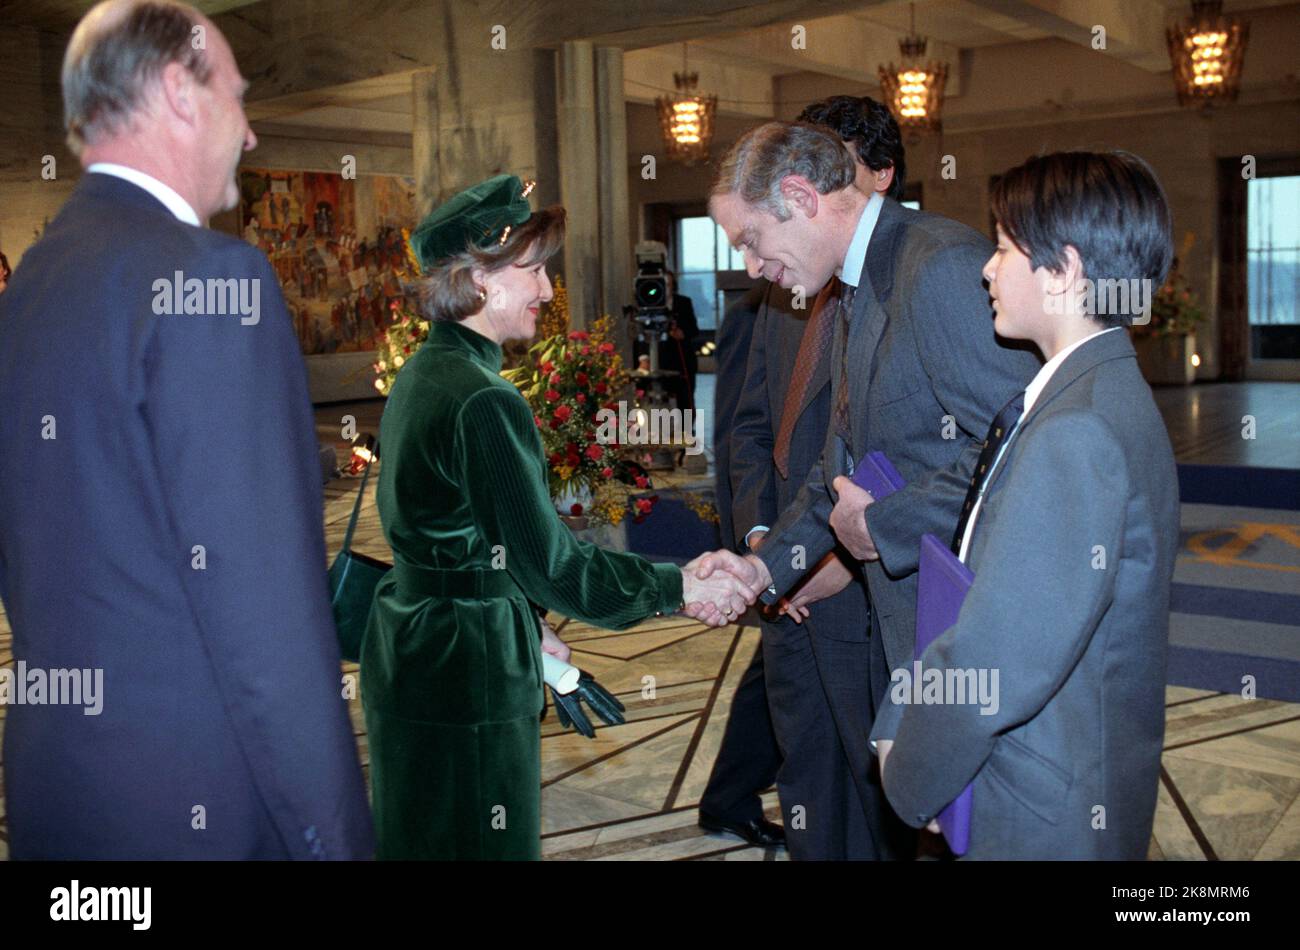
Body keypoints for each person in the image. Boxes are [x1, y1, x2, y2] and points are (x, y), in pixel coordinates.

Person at [0, 0, 372, 858]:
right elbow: (269, 627)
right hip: (200, 803)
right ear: (178, 90)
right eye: (237, 97)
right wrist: (337, 841)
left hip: (59, 788)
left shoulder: (29, 288)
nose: (248, 136)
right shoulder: (213, 280)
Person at [362, 173, 761, 861]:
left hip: (412, 648)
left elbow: (461, 541)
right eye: (536, 271)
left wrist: (528, 622)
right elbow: (551, 564)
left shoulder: (424, 374)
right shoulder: (484, 399)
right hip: (471, 666)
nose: (548, 291)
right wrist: (678, 587)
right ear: (479, 279)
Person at [873, 151, 1180, 860]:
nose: (987, 267)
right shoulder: (1096, 394)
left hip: (1042, 808)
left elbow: (999, 657)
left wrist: (910, 771)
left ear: (1065, 270)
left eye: (1006, 247)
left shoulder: (1078, 430)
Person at [705, 121, 1039, 716]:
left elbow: (1024, 449)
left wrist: (883, 523)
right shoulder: (854, 284)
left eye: (751, 239)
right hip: (917, 622)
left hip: (968, 628)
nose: (753, 267)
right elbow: (840, 465)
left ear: (802, 198)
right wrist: (761, 568)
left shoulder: (934, 267)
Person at [722, 97, 910, 860]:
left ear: (879, 178)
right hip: (785, 589)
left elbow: (925, 452)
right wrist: (764, 541)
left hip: (860, 590)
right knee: (807, 780)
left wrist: (829, 560)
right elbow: (748, 426)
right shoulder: (778, 286)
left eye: (837, 165)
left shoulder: (909, 287)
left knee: (878, 790)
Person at [697, 281, 783, 850]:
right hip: (776, 533)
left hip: (816, 526)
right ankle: (729, 797)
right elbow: (735, 432)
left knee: (777, 667)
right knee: (775, 669)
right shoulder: (754, 310)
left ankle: (729, 797)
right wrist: (752, 543)